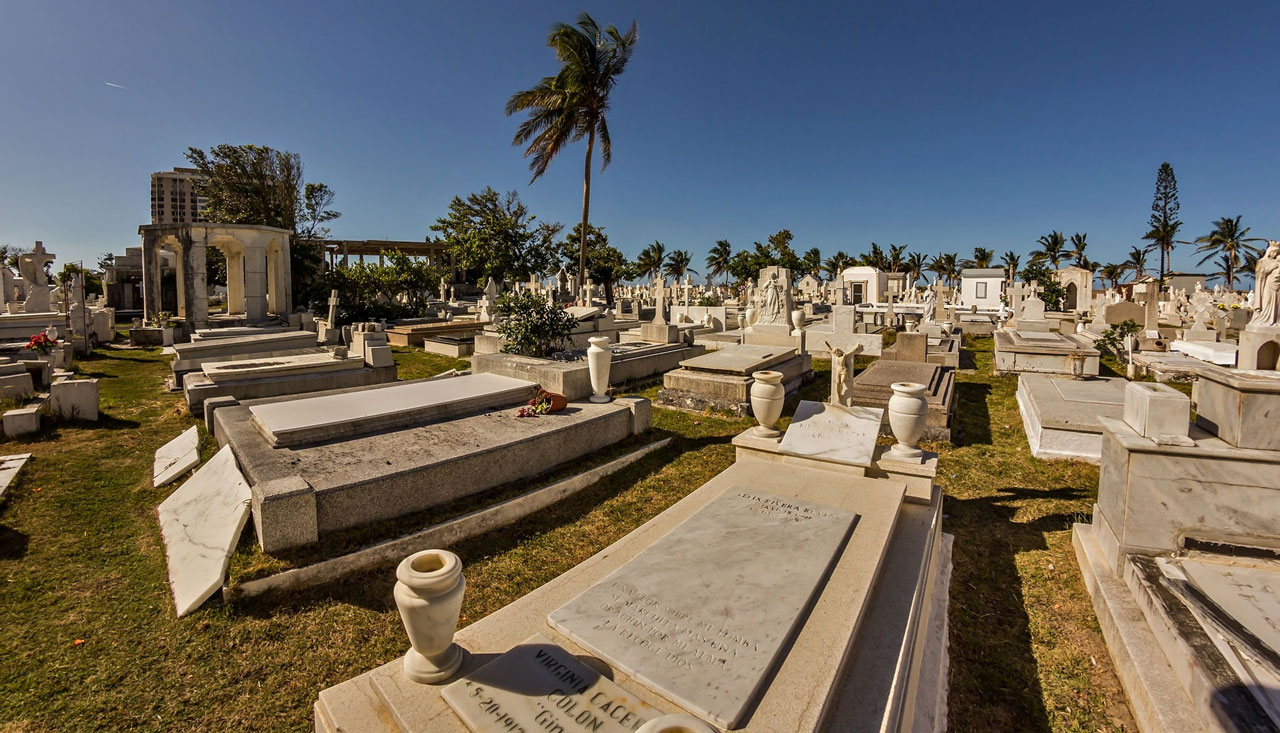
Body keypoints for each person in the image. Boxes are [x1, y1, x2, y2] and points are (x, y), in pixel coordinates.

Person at [1250, 242, 1280, 328]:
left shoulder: (1278, 262)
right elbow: (1260, 274)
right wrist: (1272, 267)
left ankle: (1273, 320)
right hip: (1267, 285)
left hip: (1277, 286)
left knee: (1275, 304)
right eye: (1274, 252)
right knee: (1266, 301)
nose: (1275, 254)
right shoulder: (1262, 261)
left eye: (1277, 252)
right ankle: (1262, 318)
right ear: (1269, 252)